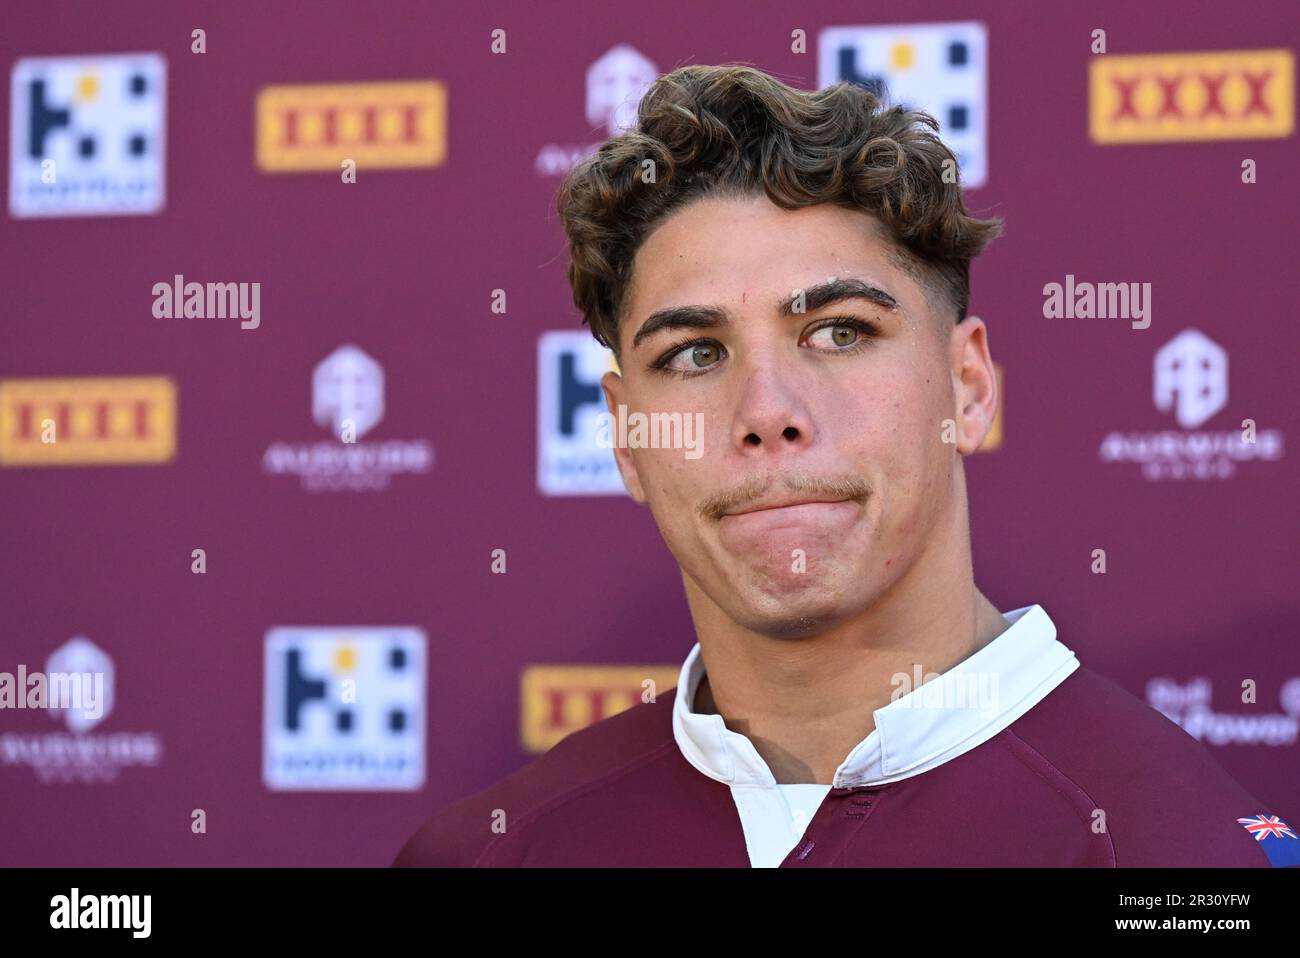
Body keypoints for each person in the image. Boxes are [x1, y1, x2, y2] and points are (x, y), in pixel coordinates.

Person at [394, 64, 1295, 868]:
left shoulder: (1180, 856)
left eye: (839, 333)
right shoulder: (487, 852)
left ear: (968, 387)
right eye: (695, 354)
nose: (768, 414)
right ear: (627, 436)